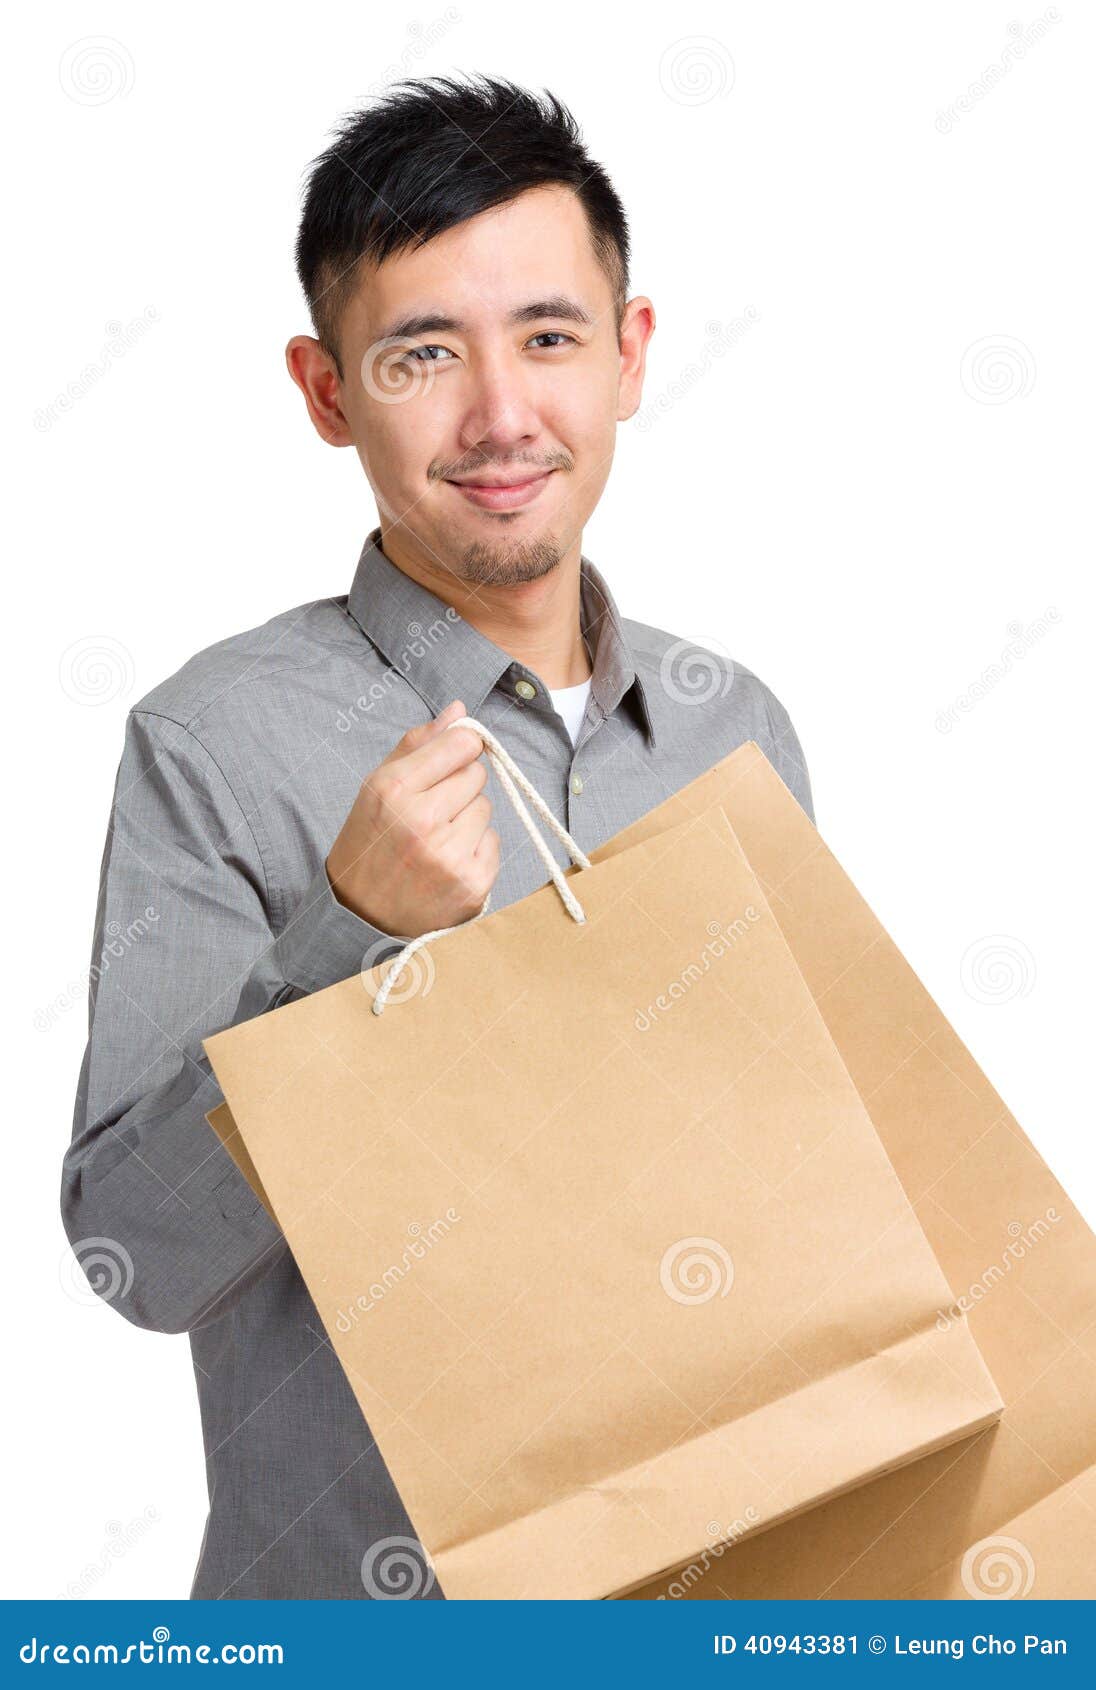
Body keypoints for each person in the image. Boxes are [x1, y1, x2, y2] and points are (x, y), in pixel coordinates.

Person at [61, 73, 813, 1600]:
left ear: (631, 354)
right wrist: (352, 936)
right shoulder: (217, 743)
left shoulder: (736, 727)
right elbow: (138, 1252)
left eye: (549, 337)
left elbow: (811, 1184)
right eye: (421, 354)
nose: (501, 415)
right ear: (327, 389)